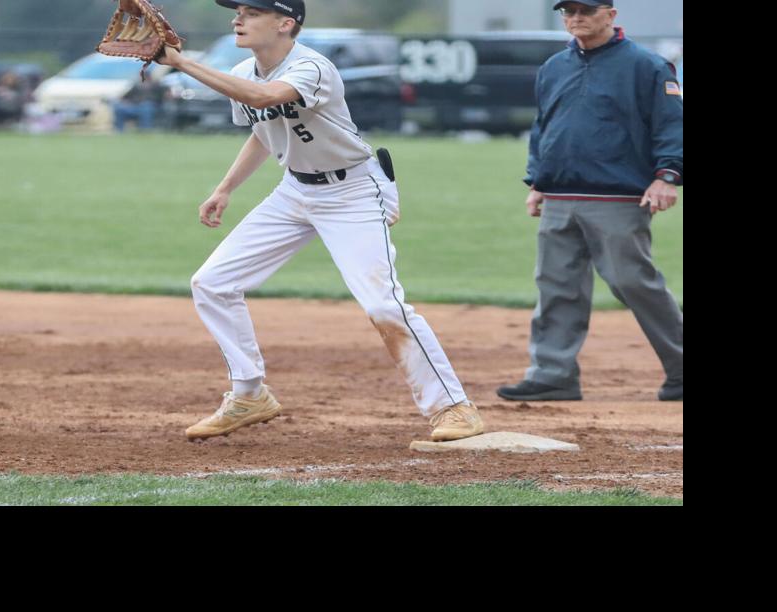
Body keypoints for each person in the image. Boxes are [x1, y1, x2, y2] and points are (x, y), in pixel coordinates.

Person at [157, 0, 484, 443]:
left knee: (383, 305)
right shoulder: (246, 70)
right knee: (212, 282)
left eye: (251, 12)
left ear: (285, 23)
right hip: (294, 191)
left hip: (352, 192)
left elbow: (264, 98)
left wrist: (180, 62)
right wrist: (226, 187)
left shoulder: (311, 66)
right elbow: (262, 129)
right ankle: (249, 393)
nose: (238, 18)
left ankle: (453, 407)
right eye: (237, 11)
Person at [498, 0, 685, 404]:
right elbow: (543, 127)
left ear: (610, 15)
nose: (575, 18)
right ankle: (553, 374)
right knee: (556, 286)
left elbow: (673, 124)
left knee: (633, 282)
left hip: (617, 195)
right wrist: (538, 181)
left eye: (585, 10)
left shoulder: (646, 66)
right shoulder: (554, 67)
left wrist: (667, 176)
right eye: (568, 11)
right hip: (561, 195)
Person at [112, 68, 163, 132]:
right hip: (136, 106)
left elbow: (161, 99)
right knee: (120, 109)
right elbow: (125, 97)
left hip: (152, 107)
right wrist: (125, 102)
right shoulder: (137, 85)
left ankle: (145, 130)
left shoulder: (156, 85)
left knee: (146, 106)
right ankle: (119, 130)